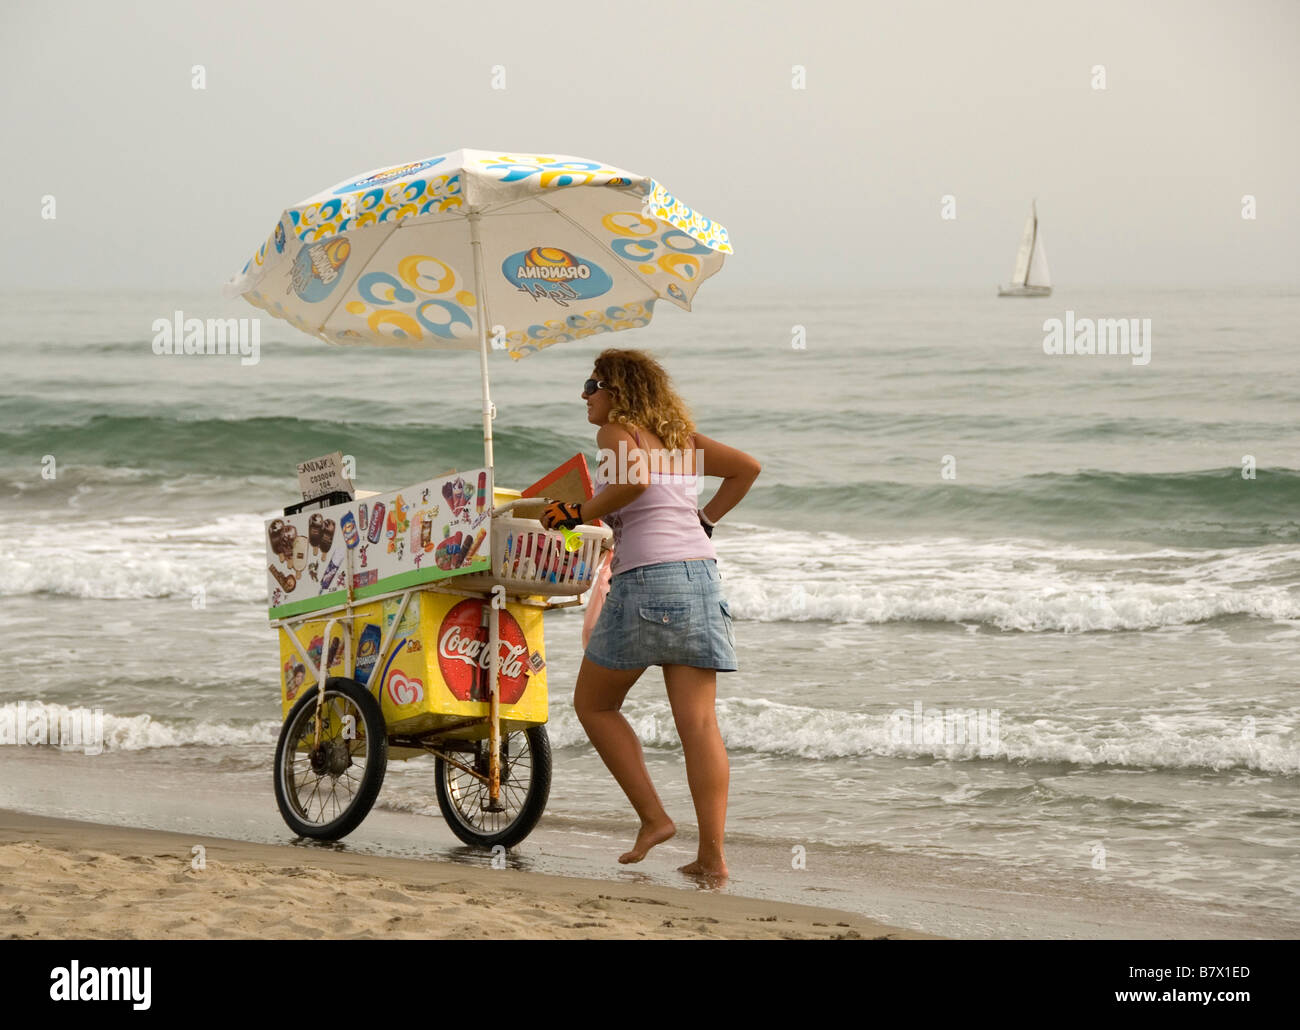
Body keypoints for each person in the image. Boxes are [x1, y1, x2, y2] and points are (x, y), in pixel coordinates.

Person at [539, 348, 760, 884]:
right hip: (701, 578)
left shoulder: (618, 433)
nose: (584, 395)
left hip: (647, 582)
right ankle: (712, 858)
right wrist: (703, 519)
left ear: (616, 391)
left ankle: (655, 819)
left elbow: (634, 483)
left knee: (594, 705)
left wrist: (573, 514)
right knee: (700, 725)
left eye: (592, 384)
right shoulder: (681, 439)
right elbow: (746, 469)